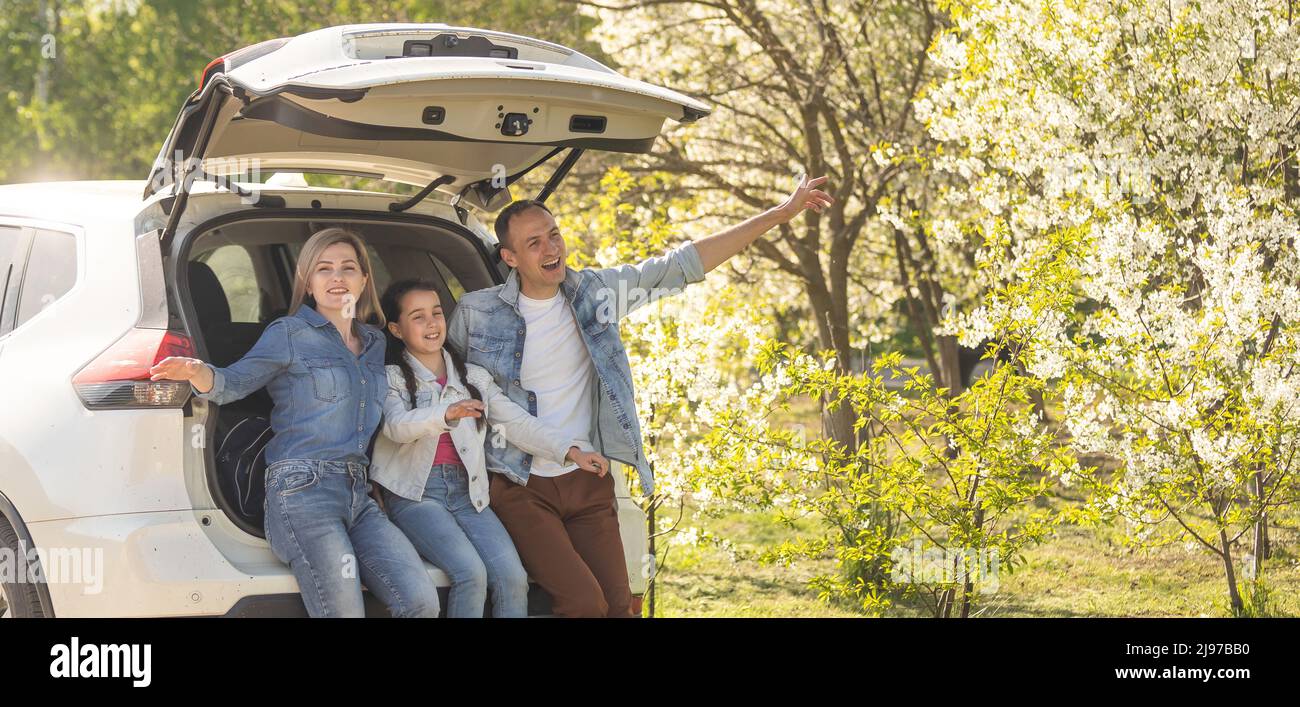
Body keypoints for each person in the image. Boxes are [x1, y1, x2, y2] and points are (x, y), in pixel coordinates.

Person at [448, 174, 833, 617]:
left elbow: (683, 265)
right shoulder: (477, 313)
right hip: (520, 484)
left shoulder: (597, 293)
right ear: (509, 257)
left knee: (618, 606)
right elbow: (447, 385)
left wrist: (782, 212)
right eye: (534, 243)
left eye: (554, 234)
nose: (551, 249)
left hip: (589, 478)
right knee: (583, 604)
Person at [149, 227, 440, 618]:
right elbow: (232, 384)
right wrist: (196, 370)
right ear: (308, 281)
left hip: (359, 494)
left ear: (364, 279)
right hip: (303, 493)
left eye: (348, 268)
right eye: (324, 269)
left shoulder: (374, 343)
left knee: (421, 601)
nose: (337, 278)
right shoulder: (289, 334)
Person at [371, 278, 609, 617]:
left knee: (513, 579)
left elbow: (516, 422)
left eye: (437, 313)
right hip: (417, 496)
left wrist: (570, 451)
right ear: (396, 329)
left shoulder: (473, 378)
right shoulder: (392, 378)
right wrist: (446, 414)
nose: (432, 323)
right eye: (417, 316)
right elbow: (396, 427)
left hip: (470, 493)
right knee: (471, 574)